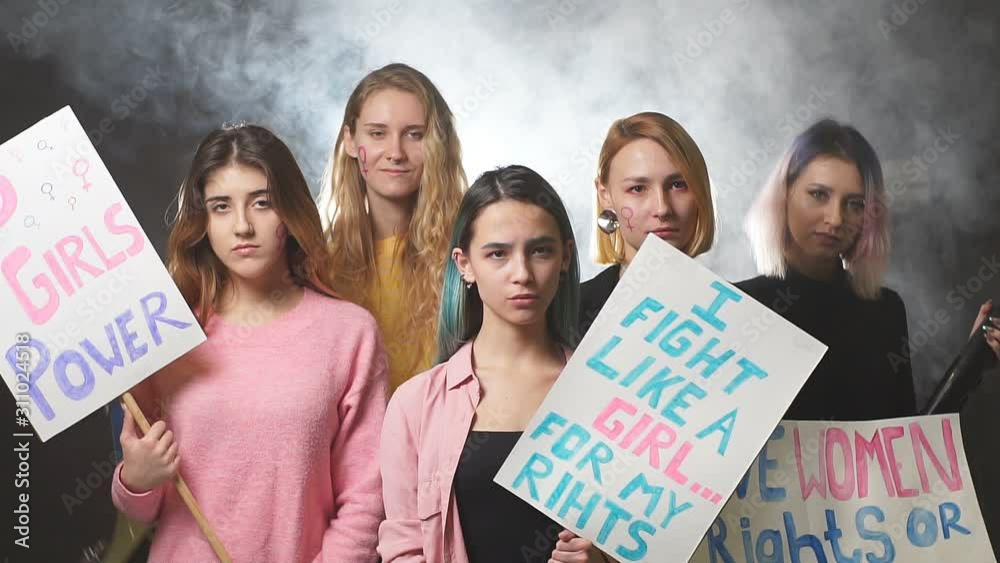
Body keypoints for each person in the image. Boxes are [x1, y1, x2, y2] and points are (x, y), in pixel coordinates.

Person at [111, 124, 386, 562]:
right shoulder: (166, 336)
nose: (242, 226)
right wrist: (136, 480)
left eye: (262, 202)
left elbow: (368, 497)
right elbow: (139, 508)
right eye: (221, 207)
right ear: (203, 222)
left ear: (290, 212)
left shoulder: (349, 333)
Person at [378, 165, 616, 563]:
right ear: (465, 264)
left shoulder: (607, 396)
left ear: (564, 258)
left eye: (540, 250)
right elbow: (404, 548)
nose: (521, 274)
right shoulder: (416, 404)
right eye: (498, 254)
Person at [737, 118, 915, 420]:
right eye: (819, 195)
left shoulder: (885, 311)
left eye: (855, 204)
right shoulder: (737, 307)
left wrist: (972, 361)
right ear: (784, 194)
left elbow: (906, 443)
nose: (835, 219)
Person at [316, 62, 466, 393]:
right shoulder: (317, 263)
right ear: (351, 141)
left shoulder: (469, 255)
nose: (396, 153)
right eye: (378, 133)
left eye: (415, 134)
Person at [579, 112, 715, 338]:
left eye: (678, 185)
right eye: (638, 189)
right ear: (605, 195)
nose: (662, 209)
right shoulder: (566, 315)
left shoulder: (749, 315)